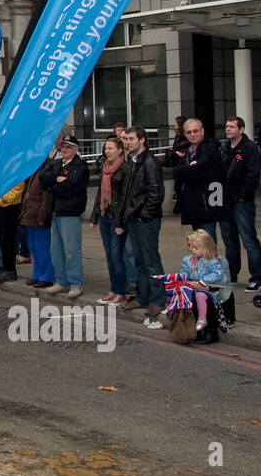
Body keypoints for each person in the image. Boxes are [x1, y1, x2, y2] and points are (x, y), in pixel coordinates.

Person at [119, 126, 168, 326]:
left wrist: (143, 216)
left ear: (142, 140)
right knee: (139, 259)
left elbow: (156, 193)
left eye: (131, 139)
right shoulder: (132, 161)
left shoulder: (149, 162)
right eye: (126, 139)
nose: (127, 142)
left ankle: (157, 299)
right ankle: (143, 296)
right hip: (134, 217)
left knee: (150, 260)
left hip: (145, 220)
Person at [39, 135, 89, 298]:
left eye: (68, 147)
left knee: (71, 249)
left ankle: (75, 283)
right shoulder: (57, 164)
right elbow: (43, 178)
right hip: (56, 210)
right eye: (63, 147)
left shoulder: (79, 166)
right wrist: (56, 180)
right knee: (56, 249)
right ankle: (61, 281)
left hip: (70, 211)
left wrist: (54, 185)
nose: (65, 150)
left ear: (76, 149)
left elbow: (70, 187)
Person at [219, 116, 261, 291]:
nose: (228, 129)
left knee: (249, 239)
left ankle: (257, 277)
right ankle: (231, 273)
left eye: (232, 126)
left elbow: (253, 175)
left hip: (241, 201)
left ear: (241, 129)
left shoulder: (250, 148)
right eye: (226, 126)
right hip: (225, 201)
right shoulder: (224, 148)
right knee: (230, 241)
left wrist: (242, 196)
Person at [173, 118, 227, 242]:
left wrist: (190, 169)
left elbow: (202, 170)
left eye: (195, 131)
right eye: (189, 132)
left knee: (207, 243)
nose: (192, 134)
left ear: (202, 131)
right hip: (193, 205)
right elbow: (177, 171)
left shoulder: (210, 148)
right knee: (198, 244)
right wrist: (190, 167)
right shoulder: (188, 152)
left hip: (207, 204)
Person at [90, 136, 129, 305]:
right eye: (106, 148)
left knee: (117, 255)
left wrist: (120, 223)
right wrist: (94, 217)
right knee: (109, 255)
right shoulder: (105, 168)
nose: (107, 151)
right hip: (105, 216)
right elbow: (100, 194)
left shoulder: (125, 169)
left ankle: (121, 291)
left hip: (117, 218)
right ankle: (114, 289)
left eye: (111, 148)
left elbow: (125, 197)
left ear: (120, 150)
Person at [178, 229, 231, 345]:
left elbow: (218, 277)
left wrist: (203, 282)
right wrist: (182, 278)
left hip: (214, 292)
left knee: (202, 298)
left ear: (206, 248)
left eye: (195, 248)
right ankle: (197, 330)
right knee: (190, 297)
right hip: (197, 289)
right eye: (190, 246)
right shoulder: (188, 259)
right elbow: (185, 272)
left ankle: (210, 332)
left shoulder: (215, 261)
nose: (192, 250)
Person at [18, 159, 55, 289]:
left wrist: (42, 216)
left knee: (42, 247)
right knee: (33, 246)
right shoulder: (36, 168)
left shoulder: (46, 169)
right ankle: (37, 273)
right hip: (31, 212)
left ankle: (47, 276)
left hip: (39, 213)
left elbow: (45, 196)